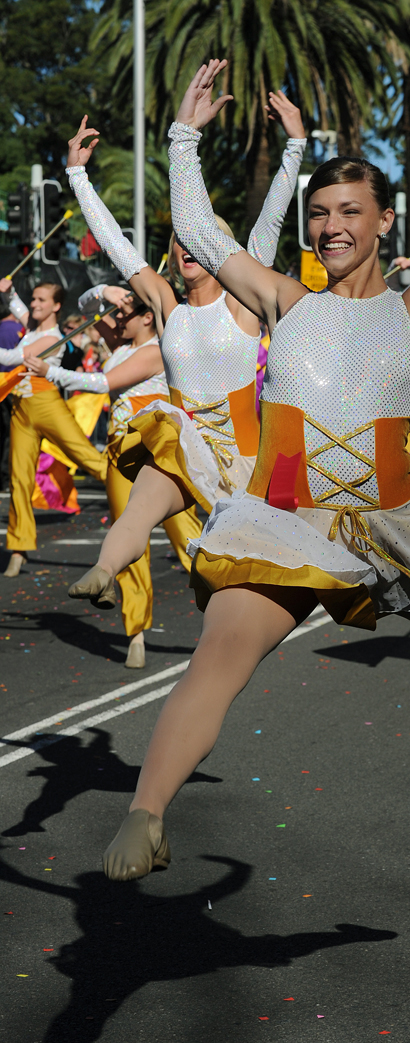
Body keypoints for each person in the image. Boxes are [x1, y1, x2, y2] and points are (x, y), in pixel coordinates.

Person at [100, 23, 410, 881]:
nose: (330, 228)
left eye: (348, 213)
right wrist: (184, 135)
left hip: (386, 519)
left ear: (383, 220)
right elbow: (195, 227)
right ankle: (146, 813)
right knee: (217, 658)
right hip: (282, 520)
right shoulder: (284, 297)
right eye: (319, 215)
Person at [63, 91, 306, 609]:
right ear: (173, 256)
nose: (188, 247)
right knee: (139, 508)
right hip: (182, 444)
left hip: (242, 463)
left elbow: (271, 220)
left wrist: (295, 146)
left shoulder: (243, 303)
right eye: (180, 242)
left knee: (243, 590)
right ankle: (105, 570)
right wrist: (77, 176)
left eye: (200, 240)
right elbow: (115, 244)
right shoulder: (167, 305)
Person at [40, 285, 203, 669]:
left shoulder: (159, 349)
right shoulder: (119, 347)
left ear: (148, 316)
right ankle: (136, 633)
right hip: (119, 454)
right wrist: (105, 291)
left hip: (158, 455)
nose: (115, 319)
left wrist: (50, 371)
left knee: (189, 539)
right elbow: (84, 309)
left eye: (125, 312)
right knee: (128, 542)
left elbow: (103, 384)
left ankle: (232, 609)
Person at [0, 280, 107, 578]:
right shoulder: (31, 326)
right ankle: (18, 550)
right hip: (21, 410)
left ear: (56, 306)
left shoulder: (51, 337)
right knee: (19, 479)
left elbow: (9, 359)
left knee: (88, 458)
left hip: (46, 404)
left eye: (41, 300)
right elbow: (16, 304)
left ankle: (137, 489)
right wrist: (8, 291)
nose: (34, 305)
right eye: (33, 299)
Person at [0, 297, 25, 489]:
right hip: (12, 386)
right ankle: (7, 476)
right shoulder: (19, 331)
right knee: (12, 433)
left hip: (5, 386)